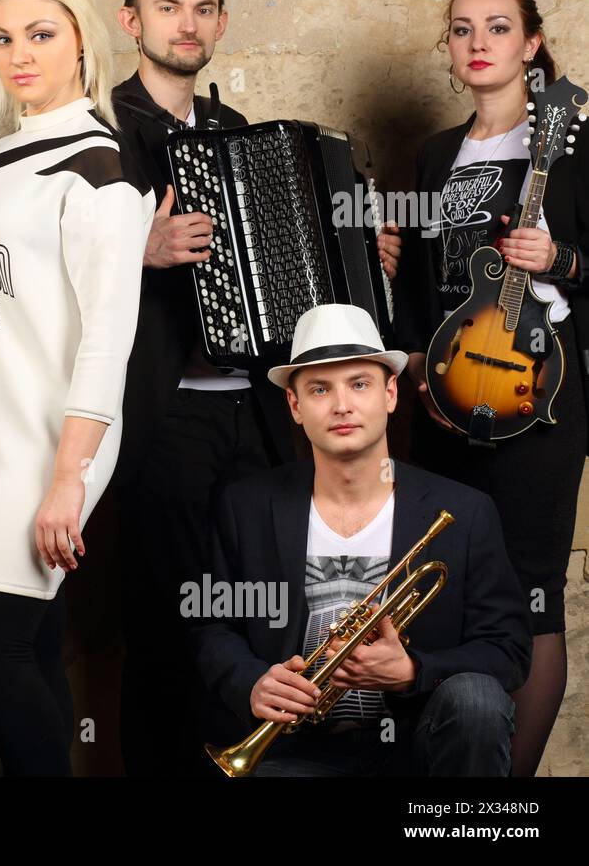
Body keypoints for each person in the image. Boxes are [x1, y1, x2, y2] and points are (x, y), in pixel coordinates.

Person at [107, 0, 403, 775]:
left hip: (256, 412)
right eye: (168, 8)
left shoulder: (238, 129)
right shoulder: (97, 131)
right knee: (163, 621)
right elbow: (47, 271)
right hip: (162, 415)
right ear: (133, 21)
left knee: (254, 616)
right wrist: (140, 249)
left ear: (223, 24)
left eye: (204, 9)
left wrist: (364, 266)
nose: (187, 24)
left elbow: (299, 276)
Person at [0, 0, 155, 775]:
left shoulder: (100, 173)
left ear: (83, 42)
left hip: (47, 443)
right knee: (35, 642)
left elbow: (106, 340)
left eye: (42, 35)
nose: (20, 56)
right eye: (4, 39)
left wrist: (69, 479)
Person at [192, 304, 532, 776]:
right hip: (296, 751)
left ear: (390, 394)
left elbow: (507, 650)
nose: (341, 405)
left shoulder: (467, 511)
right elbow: (212, 628)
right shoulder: (245, 505)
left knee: (477, 700)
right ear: (295, 406)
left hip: (418, 744)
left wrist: (412, 670)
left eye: (359, 384)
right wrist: (251, 683)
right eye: (319, 389)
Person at [394, 0, 588, 777]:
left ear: (531, 44)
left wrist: (565, 259)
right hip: (445, 396)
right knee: (450, 582)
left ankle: (506, 795)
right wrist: (395, 281)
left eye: (498, 28)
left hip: (535, 397)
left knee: (531, 592)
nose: (478, 44)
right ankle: (456, 766)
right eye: (462, 29)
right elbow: (420, 289)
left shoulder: (569, 145)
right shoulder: (436, 153)